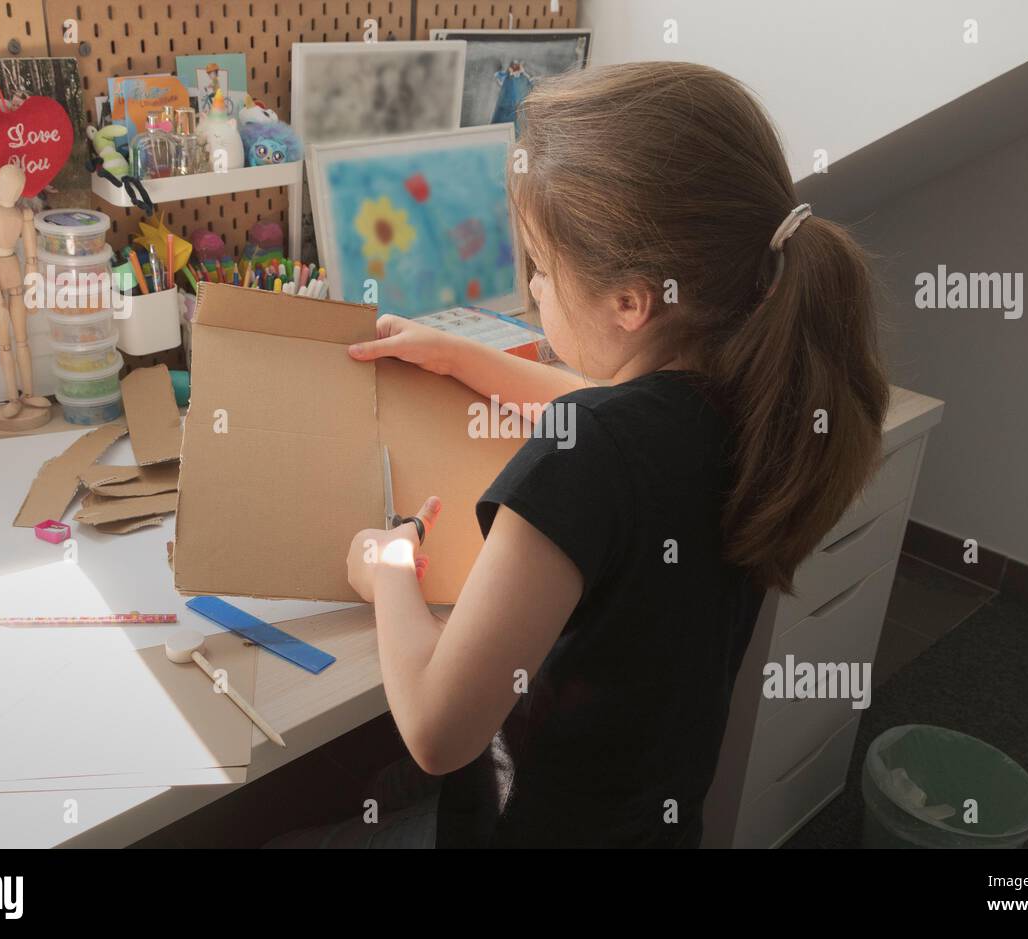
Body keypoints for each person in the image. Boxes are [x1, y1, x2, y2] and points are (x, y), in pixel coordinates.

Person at [278, 61, 890, 848]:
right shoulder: (758, 392)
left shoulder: (588, 460)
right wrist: (466, 360)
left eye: (540, 266)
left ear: (631, 302)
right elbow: (615, 419)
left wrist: (388, 566)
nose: (532, 289)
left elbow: (438, 728)